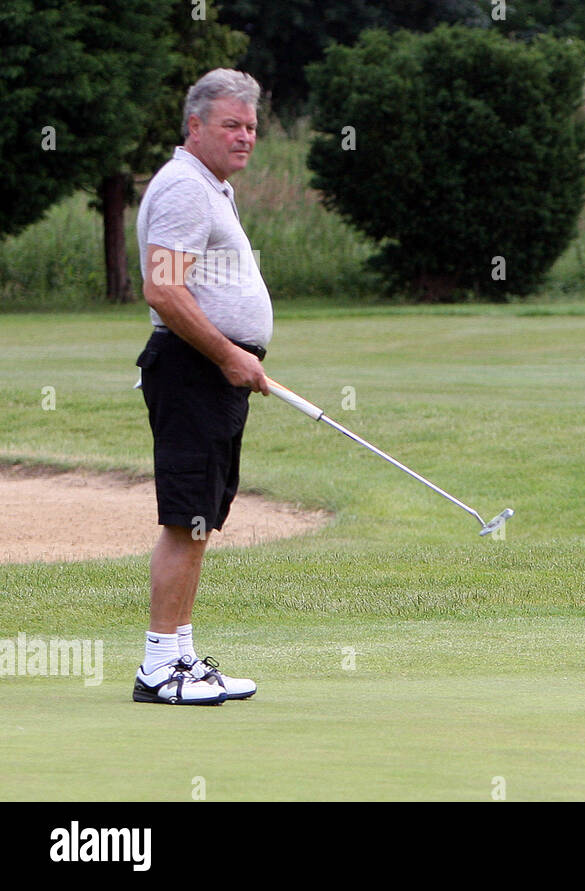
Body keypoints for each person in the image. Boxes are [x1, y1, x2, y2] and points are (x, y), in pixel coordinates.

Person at [131, 69, 271, 704]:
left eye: (250, 127)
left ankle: (182, 658)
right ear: (195, 127)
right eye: (230, 125)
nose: (244, 137)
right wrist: (227, 354)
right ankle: (159, 667)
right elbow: (163, 288)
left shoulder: (212, 187)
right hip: (193, 368)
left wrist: (233, 358)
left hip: (210, 371)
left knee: (200, 517)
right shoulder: (185, 187)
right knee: (186, 515)